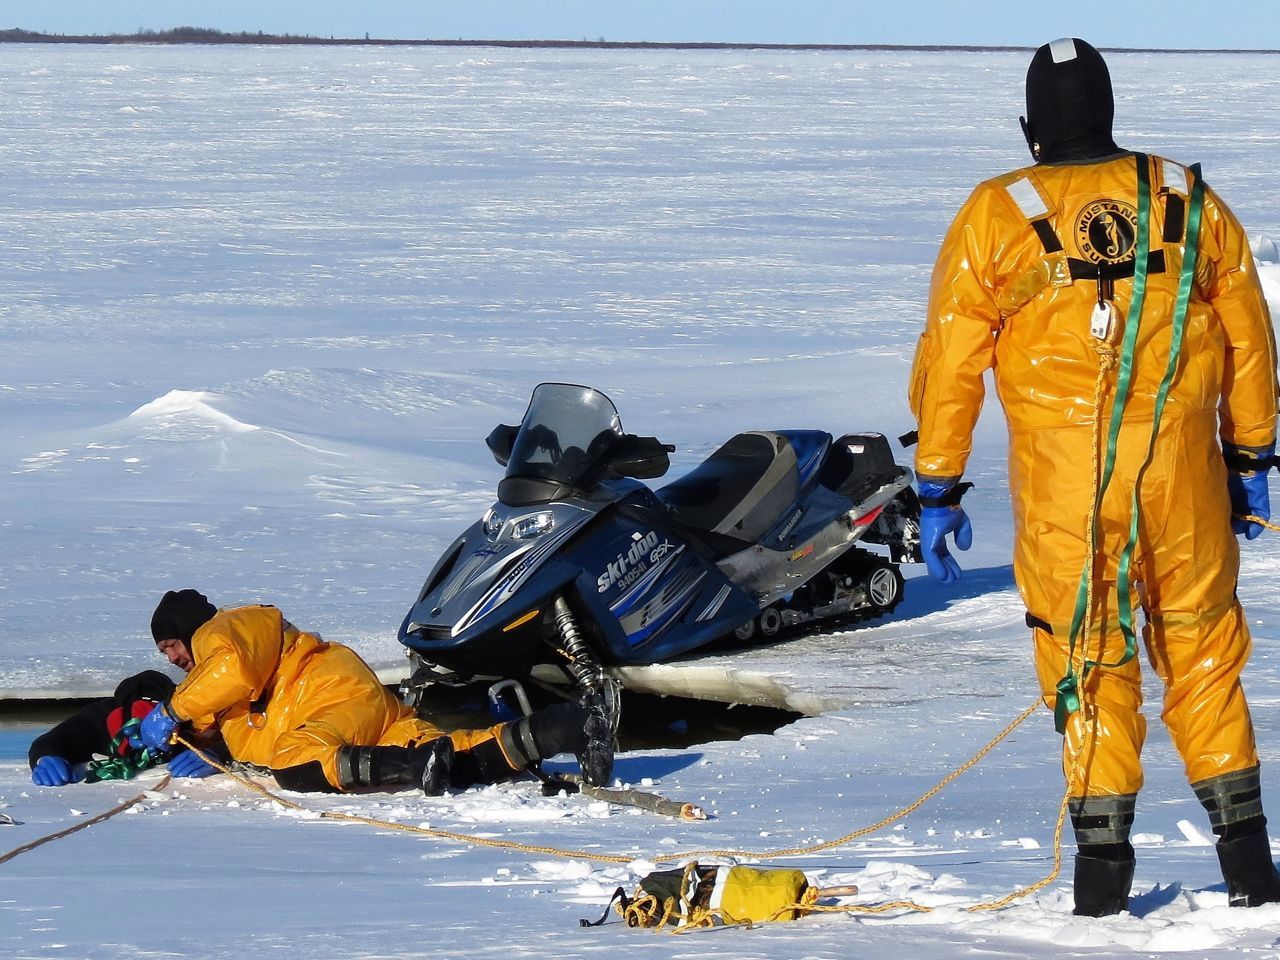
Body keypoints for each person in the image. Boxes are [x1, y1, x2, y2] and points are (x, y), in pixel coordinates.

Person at [908, 38, 1279, 916]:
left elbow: (953, 360)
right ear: (1110, 112)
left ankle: (1103, 883)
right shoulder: (1185, 198)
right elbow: (1249, 335)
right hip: (1183, 475)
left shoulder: (996, 215)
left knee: (1088, 660)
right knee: (1201, 651)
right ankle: (1249, 865)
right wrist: (1252, 452)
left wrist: (937, 483)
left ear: (1031, 126)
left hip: (1068, 490)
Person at [134, 589, 613, 795]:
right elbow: (223, 707)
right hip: (358, 711)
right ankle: (569, 726)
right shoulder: (211, 680)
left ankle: (410, 767)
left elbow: (234, 671)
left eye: (170, 644)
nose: (173, 658)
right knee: (456, 755)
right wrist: (201, 742)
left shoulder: (222, 630)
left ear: (187, 629)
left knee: (296, 760)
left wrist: (174, 708)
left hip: (328, 695)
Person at [29, 670, 224, 785]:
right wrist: (46, 756)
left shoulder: (191, 714)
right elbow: (57, 738)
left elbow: (239, 735)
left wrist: (218, 754)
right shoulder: (102, 716)